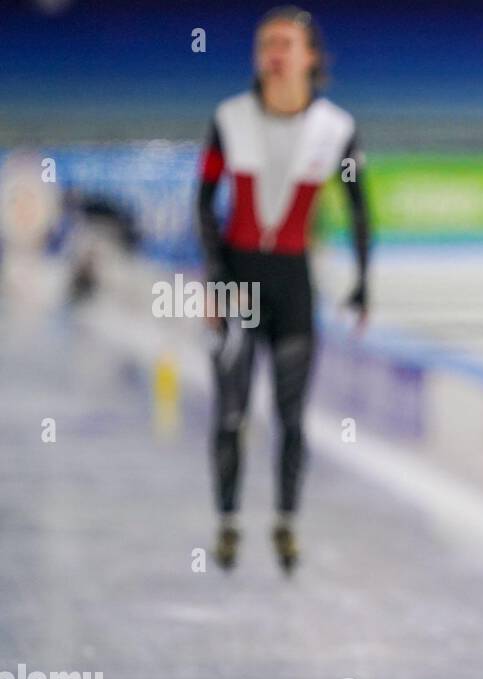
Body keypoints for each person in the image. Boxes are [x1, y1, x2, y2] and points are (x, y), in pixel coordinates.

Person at [196, 6, 370, 572]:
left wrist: (363, 284)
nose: (272, 52)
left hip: (294, 286)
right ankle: (227, 523)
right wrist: (216, 281)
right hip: (240, 284)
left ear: (310, 57)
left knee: (292, 420)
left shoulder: (336, 128)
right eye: (264, 42)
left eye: (285, 42)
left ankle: (286, 525)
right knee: (230, 414)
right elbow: (203, 203)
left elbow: (359, 206)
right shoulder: (229, 117)